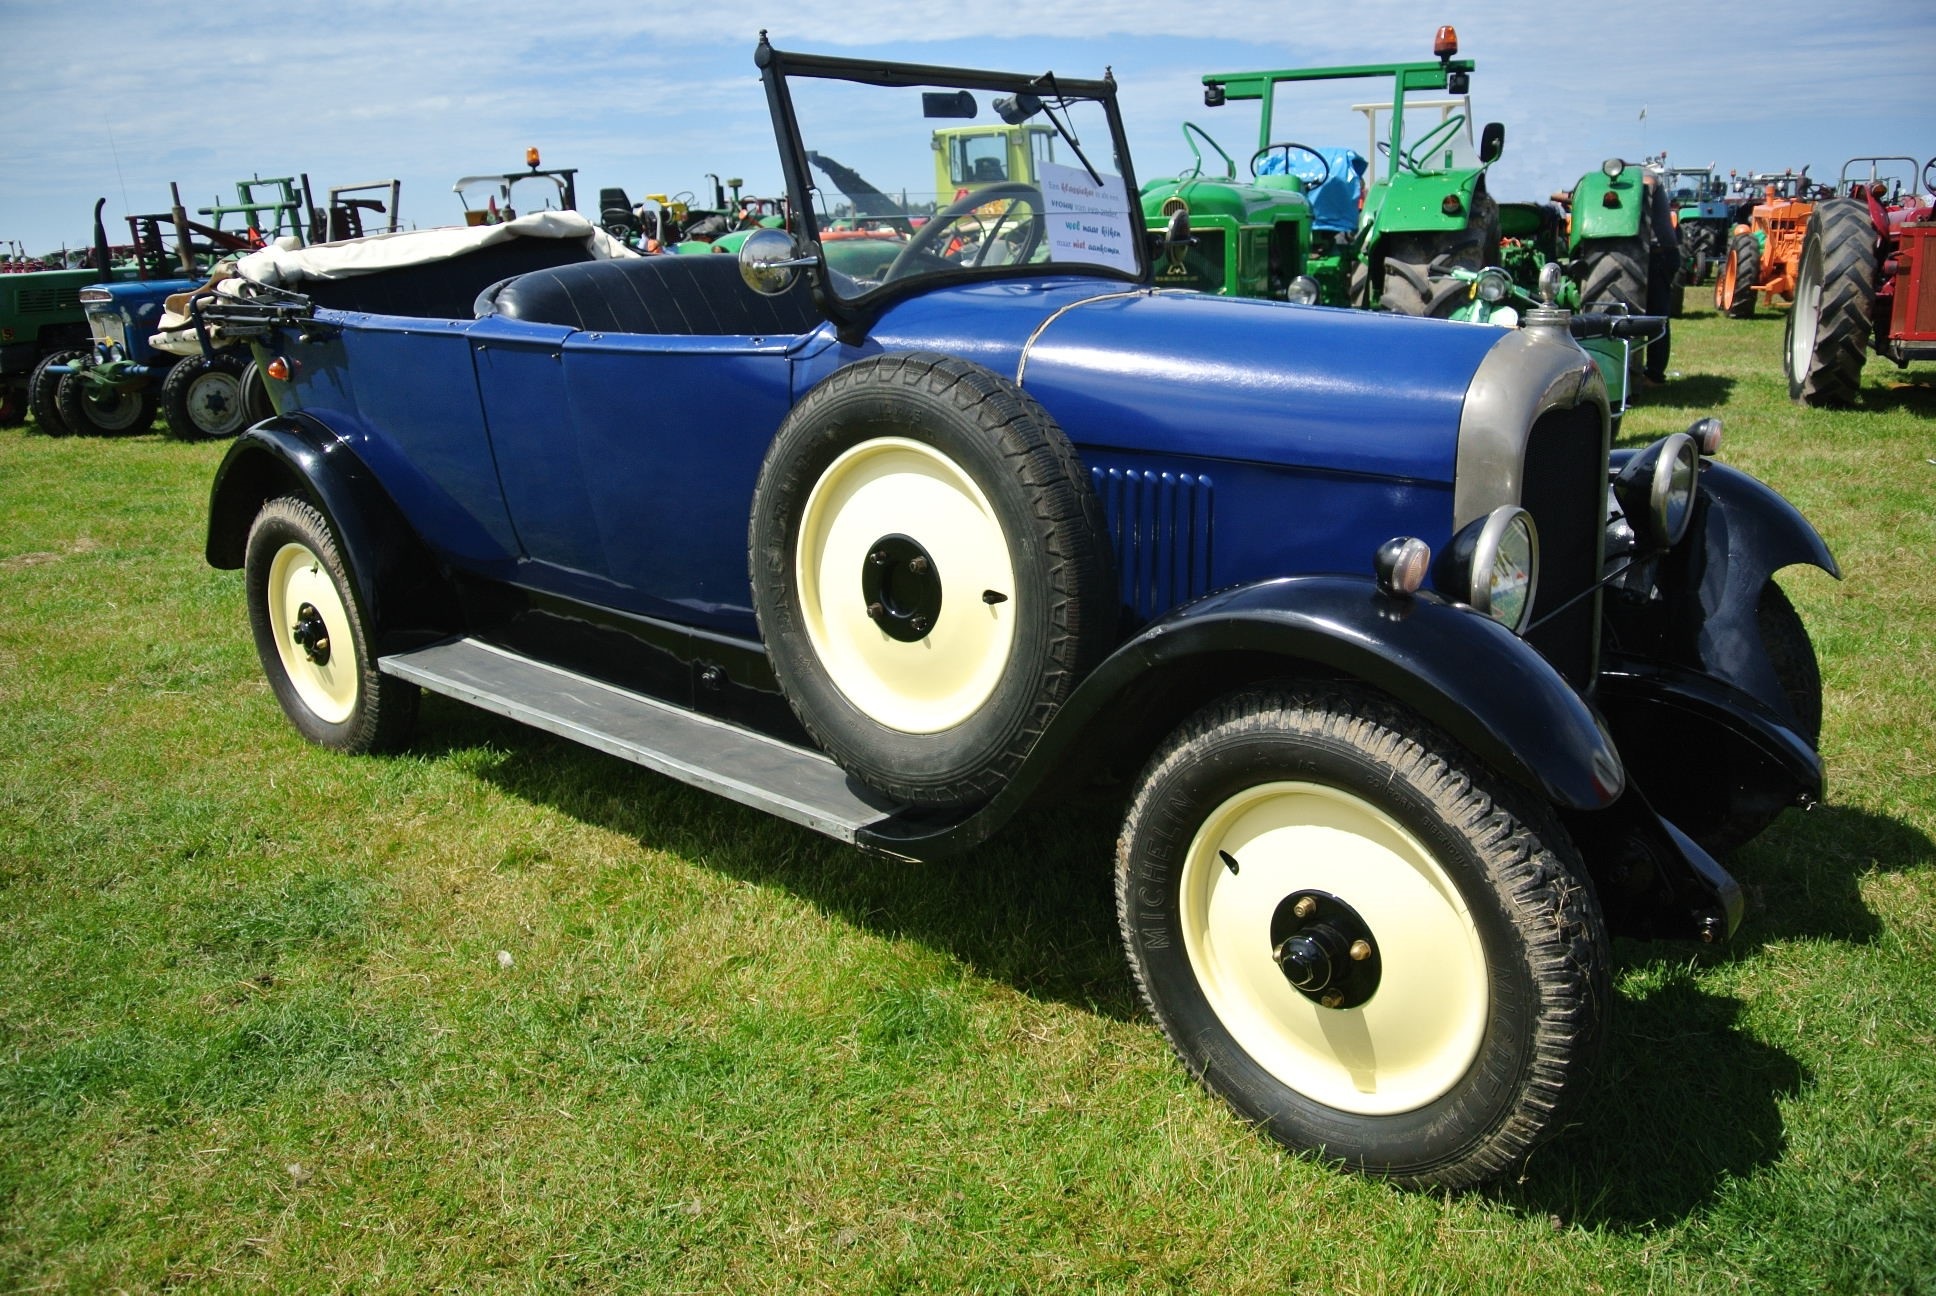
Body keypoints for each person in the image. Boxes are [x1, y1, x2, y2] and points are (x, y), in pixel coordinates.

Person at [1641, 170, 1679, 383]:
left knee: (1657, 314)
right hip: (1648, 253)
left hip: (1660, 252)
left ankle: (1654, 374)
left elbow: (1650, 182)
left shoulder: (1644, 175)